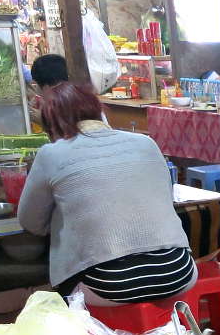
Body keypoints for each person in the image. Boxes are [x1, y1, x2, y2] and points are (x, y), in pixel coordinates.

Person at [18, 83, 195, 306]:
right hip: (178, 269)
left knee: (64, 271)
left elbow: (31, 222)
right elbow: (164, 198)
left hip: (108, 283)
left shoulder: (51, 153)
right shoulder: (146, 142)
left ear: (52, 124)